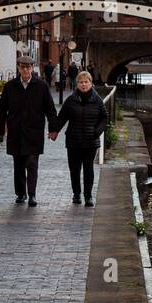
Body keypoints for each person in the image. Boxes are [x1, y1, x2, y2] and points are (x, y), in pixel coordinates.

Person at [0, 54, 60, 207]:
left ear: (32, 68)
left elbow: (50, 109)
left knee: (32, 163)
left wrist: (53, 129)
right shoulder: (10, 86)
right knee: (18, 165)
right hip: (16, 131)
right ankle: (20, 193)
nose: (25, 70)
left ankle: (32, 194)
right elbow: (2, 110)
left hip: (34, 132)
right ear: (18, 68)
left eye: (28, 67)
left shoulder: (41, 86)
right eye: (22, 67)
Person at [56, 71, 109, 206]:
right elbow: (62, 117)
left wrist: (97, 132)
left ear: (91, 83)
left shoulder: (97, 100)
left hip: (91, 141)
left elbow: (104, 117)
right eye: (81, 82)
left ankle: (88, 196)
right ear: (77, 84)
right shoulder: (71, 100)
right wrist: (54, 131)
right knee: (74, 169)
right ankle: (76, 194)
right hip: (73, 141)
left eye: (86, 82)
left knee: (88, 169)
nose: (83, 84)